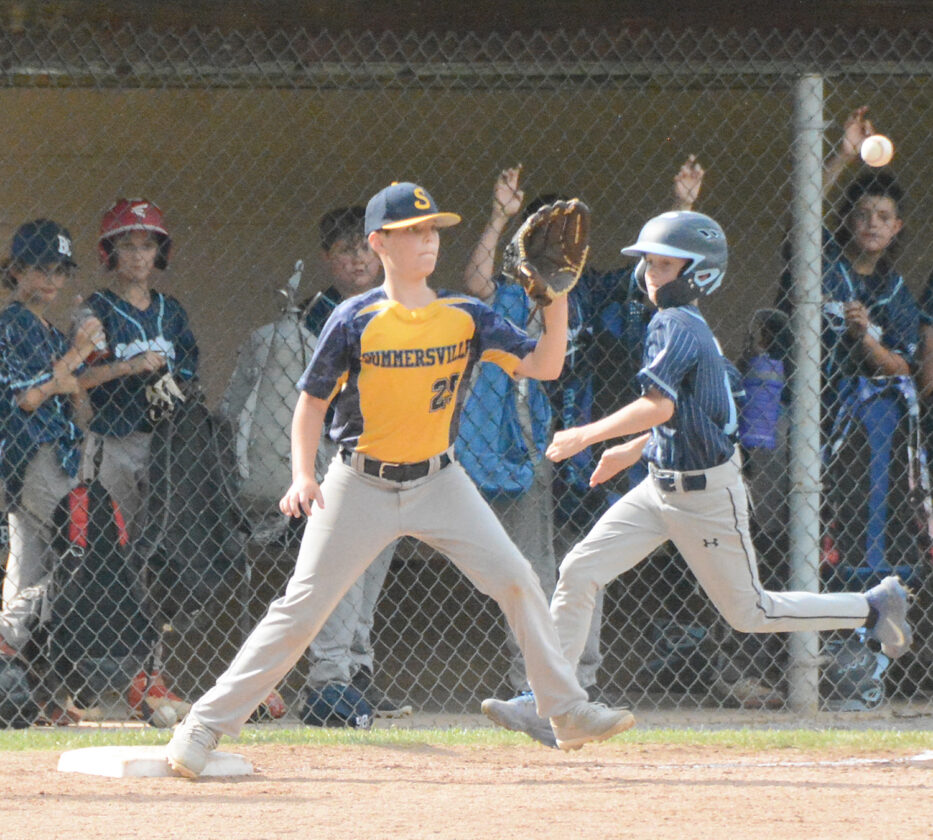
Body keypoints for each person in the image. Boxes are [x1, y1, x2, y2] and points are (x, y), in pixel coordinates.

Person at [166, 181, 632, 776]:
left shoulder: (466, 316)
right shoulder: (354, 317)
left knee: (517, 579)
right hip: (358, 482)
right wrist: (303, 475)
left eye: (434, 230)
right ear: (379, 242)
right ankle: (203, 726)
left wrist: (556, 298)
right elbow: (311, 403)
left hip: (440, 481)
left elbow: (546, 364)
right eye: (415, 231)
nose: (429, 241)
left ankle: (562, 710)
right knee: (301, 608)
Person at [481, 209, 913, 745]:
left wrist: (586, 437)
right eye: (648, 265)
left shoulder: (677, 325)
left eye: (664, 265)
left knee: (751, 611)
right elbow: (691, 409)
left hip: (707, 495)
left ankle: (871, 607)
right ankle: (550, 703)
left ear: (699, 274)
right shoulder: (680, 326)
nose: (651, 275)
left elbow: (659, 405)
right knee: (581, 569)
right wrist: (627, 450)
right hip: (660, 482)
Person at [222, 206, 409, 718]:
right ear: (328, 258)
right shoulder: (312, 313)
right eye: (345, 250)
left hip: (388, 444)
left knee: (374, 563)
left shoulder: (399, 305)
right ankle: (335, 678)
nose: (357, 260)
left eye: (364, 248)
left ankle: (358, 672)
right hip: (332, 448)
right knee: (343, 565)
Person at [776, 107, 923, 584]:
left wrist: (866, 341)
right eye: (862, 214)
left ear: (897, 228)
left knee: (846, 525)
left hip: (860, 433)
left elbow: (904, 367)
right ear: (847, 220)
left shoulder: (895, 290)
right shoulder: (823, 259)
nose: (872, 224)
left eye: (883, 216)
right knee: (785, 523)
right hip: (798, 409)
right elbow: (801, 211)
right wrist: (841, 154)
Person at [74, 198, 197, 720]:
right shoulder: (95, 309)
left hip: (162, 447)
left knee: (156, 564)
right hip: (112, 443)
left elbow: (191, 378)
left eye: (147, 245)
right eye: (128, 244)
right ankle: (76, 683)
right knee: (99, 560)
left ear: (159, 252)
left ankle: (148, 679)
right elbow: (77, 379)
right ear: (110, 252)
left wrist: (171, 387)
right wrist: (129, 367)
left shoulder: (173, 312)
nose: (139, 255)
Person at [0, 219, 105, 723]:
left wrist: (79, 361)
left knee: (30, 567)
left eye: (59, 271)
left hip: (57, 452)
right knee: (80, 554)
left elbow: (71, 394)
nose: (50, 282)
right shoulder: (15, 321)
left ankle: (29, 694)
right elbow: (29, 396)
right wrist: (80, 351)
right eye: (40, 269)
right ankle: (7, 636)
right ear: (16, 270)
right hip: (33, 452)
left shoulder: (44, 327)